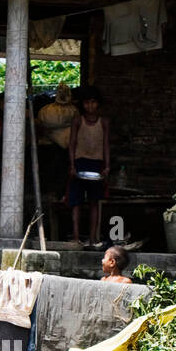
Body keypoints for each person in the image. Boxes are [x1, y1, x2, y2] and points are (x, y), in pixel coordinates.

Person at [66, 86, 110, 248]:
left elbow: (106, 145)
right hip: (79, 162)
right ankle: (76, 237)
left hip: (97, 164)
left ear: (98, 104)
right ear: (82, 104)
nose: (90, 106)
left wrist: (107, 166)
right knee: (76, 201)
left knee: (94, 201)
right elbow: (72, 144)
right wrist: (71, 165)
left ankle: (92, 238)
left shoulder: (104, 122)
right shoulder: (78, 121)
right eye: (87, 103)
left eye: (93, 103)